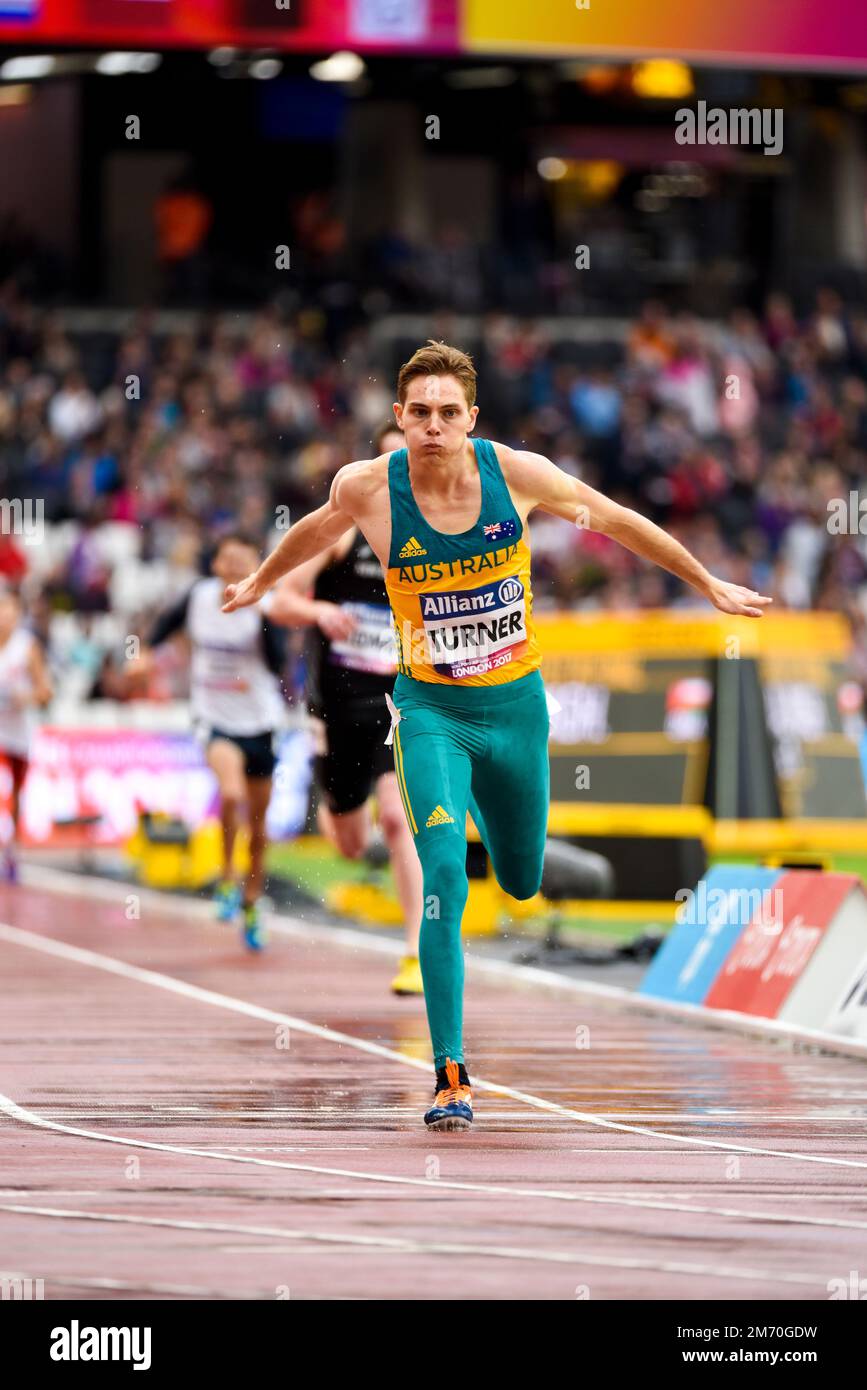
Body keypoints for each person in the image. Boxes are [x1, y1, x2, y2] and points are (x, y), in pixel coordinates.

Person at [222, 340, 772, 1130]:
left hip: (514, 713)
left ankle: (484, 813)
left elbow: (616, 521)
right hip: (429, 714)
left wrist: (706, 583)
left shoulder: (516, 476)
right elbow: (315, 529)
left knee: (516, 879)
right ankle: (449, 1073)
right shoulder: (369, 489)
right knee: (442, 869)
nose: (434, 427)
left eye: (449, 413)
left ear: (471, 418)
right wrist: (262, 582)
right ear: (398, 419)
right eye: (420, 413)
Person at [269, 423, 425, 996]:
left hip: (399, 705)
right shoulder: (344, 530)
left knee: (398, 818)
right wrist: (319, 616)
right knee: (351, 841)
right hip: (336, 708)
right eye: (386, 463)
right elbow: (281, 599)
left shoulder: (435, 535)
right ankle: (348, 818)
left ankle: (416, 954)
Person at [134, 534, 287, 950]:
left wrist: (264, 612)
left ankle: (253, 903)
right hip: (213, 717)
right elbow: (164, 626)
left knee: (258, 828)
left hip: (260, 720)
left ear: (256, 564)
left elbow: (279, 665)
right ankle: (225, 879)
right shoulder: (199, 597)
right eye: (229, 560)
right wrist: (145, 653)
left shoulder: (266, 601)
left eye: (245, 561)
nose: (237, 567)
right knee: (231, 791)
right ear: (217, 565)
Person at [0, 587, 52, 882]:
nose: (5, 619)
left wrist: (28, 698)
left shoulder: (26, 647)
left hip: (18, 730)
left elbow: (46, 691)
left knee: (17, 794)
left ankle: (12, 849)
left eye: (11, 613)